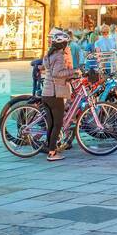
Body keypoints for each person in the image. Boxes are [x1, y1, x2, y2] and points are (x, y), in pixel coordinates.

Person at [42, 30, 74, 161]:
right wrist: (73, 72)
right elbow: (57, 73)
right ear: (63, 44)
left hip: (46, 93)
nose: (67, 45)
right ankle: (52, 153)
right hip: (55, 94)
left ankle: (50, 149)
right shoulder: (59, 55)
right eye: (66, 43)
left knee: (51, 124)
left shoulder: (49, 54)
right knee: (58, 124)